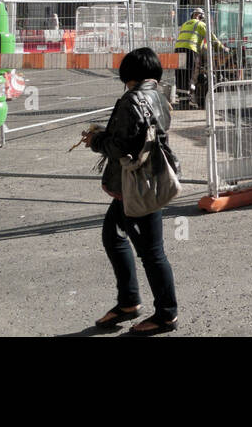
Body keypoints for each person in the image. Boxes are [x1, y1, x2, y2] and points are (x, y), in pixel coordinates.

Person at [82, 47, 179, 336]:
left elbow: (119, 146)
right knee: (113, 237)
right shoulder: (160, 95)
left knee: (152, 253)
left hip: (137, 185)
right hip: (145, 179)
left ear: (129, 74)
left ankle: (166, 314)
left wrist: (96, 140)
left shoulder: (132, 100)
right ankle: (128, 301)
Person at [174, 7, 226, 104]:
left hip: (178, 49)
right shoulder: (200, 24)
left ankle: (182, 101)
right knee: (190, 74)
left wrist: (204, 46)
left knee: (181, 74)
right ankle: (186, 101)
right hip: (190, 50)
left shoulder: (185, 24)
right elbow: (212, 38)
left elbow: (194, 38)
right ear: (200, 16)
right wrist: (222, 48)